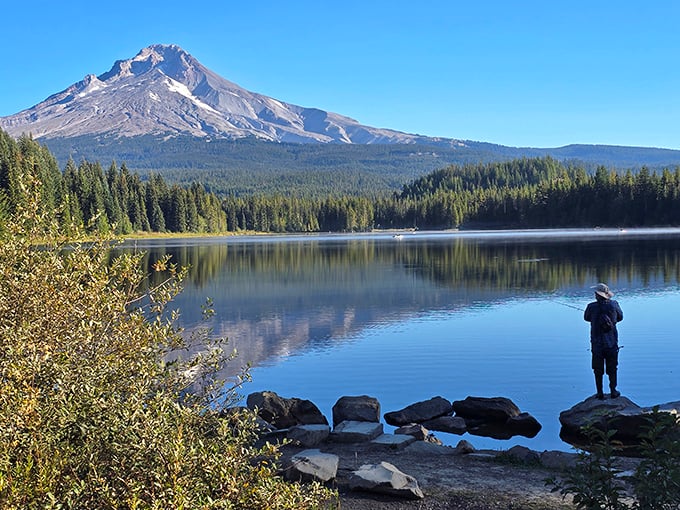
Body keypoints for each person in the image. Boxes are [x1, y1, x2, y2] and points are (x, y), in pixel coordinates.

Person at [584, 283, 624, 399]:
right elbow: (620, 317)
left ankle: (600, 393)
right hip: (611, 343)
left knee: (597, 369)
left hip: (597, 343)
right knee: (612, 368)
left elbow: (586, 318)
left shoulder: (591, 307)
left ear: (597, 295)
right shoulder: (614, 304)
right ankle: (613, 391)